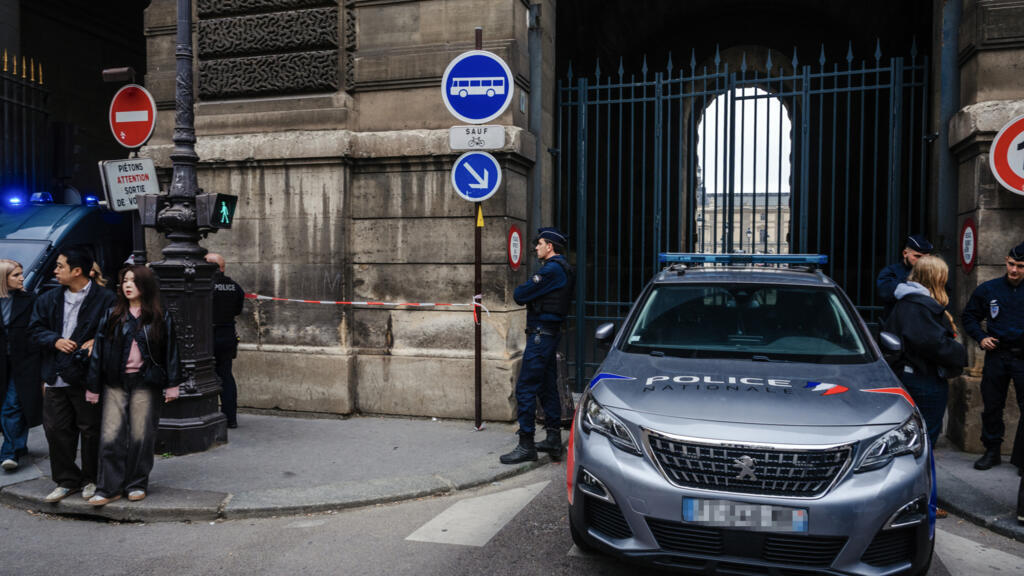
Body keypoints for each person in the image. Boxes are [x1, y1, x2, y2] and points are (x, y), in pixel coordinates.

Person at [85, 265, 181, 505]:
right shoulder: (112, 315)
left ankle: (136, 483)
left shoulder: (160, 316)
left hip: (146, 383)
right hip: (115, 383)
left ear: (145, 286)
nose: (127, 285)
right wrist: (93, 386)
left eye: (133, 281)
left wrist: (172, 384)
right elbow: (98, 352)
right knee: (111, 436)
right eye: (124, 280)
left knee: (141, 436)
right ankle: (109, 488)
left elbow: (171, 351)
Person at [29, 246, 115, 503]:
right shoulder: (48, 299)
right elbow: (34, 330)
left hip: (86, 376)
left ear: (77, 271)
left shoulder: (106, 299)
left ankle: (91, 478)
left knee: (91, 429)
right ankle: (67, 480)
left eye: (60, 266)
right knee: (55, 429)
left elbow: (114, 332)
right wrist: (54, 340)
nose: (55, 271)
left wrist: (95, 343)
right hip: (55, 375)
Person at [500, 227, 574, 465]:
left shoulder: (552, 270)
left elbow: (520, 294)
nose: (535, 248)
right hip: (549, 334)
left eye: (539, 244)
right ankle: (553, 438)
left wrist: (528, 291)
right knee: (546, 386)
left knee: (525, 387)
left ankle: (526, 445)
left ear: (550, 246)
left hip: (541, 334)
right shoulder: (561, 268)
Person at [884, 255, 966, 447]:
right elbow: (931, 343)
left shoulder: (906, 301)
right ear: (936, 278)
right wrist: (959, 352)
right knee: (923, 440)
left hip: (911, 374)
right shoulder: (919, 306)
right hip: (924, 378)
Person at [962, 241, 1024, 471]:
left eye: (1020, 265)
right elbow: (969, 316)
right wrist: (980, 337)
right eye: (1011, 264)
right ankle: (992, 451)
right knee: (992, 405)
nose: (1014, 270)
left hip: (1023, 357)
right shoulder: (989, 289)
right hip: (997, 355)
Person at [0, 260, 43, 471]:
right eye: (15, 275)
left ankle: (8, 452)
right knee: (13, 405)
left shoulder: (30, 299)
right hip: (3, 362)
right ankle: (19, 445)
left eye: (20, 274)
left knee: (13, 404)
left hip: (24, 362)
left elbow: (37, 329)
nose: (21, 278)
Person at [206, 253, 244, 428]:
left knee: (203, 375)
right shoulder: (235, 287)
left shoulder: (205, 285)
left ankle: (206, 414)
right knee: (226, 376)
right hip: (227, 334)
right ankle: (231, 418)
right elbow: (237, 310)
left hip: (207, 336)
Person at [877, 234, 933, 321]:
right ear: (905, 253)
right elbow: (885, 292)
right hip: (897, 325)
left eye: (926, 258)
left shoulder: (934, 273)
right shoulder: (890, 271)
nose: (922, 261)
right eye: (917, 256)